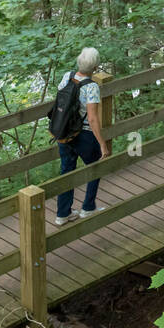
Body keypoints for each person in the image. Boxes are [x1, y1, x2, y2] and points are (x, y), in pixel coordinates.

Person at [54, 47, 112, 225]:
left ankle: (63, 214)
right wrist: (102, 144)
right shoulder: (92, 87)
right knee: (94, 167)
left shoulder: (67, 76)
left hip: (64, 132)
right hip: (83, 135)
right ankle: (88, 207)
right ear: (95, 67)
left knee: (67, 172)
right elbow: (93, 119)